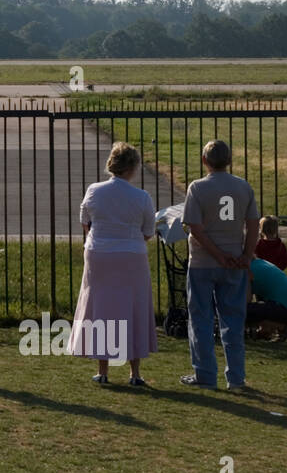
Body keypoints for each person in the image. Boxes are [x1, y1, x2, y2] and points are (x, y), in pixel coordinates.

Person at [69, 142, 159, 385]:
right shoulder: (142, 197)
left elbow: (85, 221)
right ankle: (135, 372)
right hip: (131, 254)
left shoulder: (94, 191)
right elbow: (148, 230)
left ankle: (103, 370)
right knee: (134, 308)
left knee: (102, 308)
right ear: (133, 167)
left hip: (99, 253)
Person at [180, 139, 260, 391]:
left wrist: (216, 254)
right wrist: (246, 255)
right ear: (229, 161)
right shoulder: (243, 187)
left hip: (203, 262)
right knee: (233, 320)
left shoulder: (198, 188)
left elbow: (195, 229)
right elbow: (253, 224)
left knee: (201, 318)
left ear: (205, 161)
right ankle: (235, 377)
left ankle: (205, 373)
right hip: (235, 261)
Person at [245, 257, 287, 341]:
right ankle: (272, 329)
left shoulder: (246, 270)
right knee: (258, 309)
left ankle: (281, 327)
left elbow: (245, 301)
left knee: (243, 310)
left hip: (286, 307)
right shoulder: (260, 263)